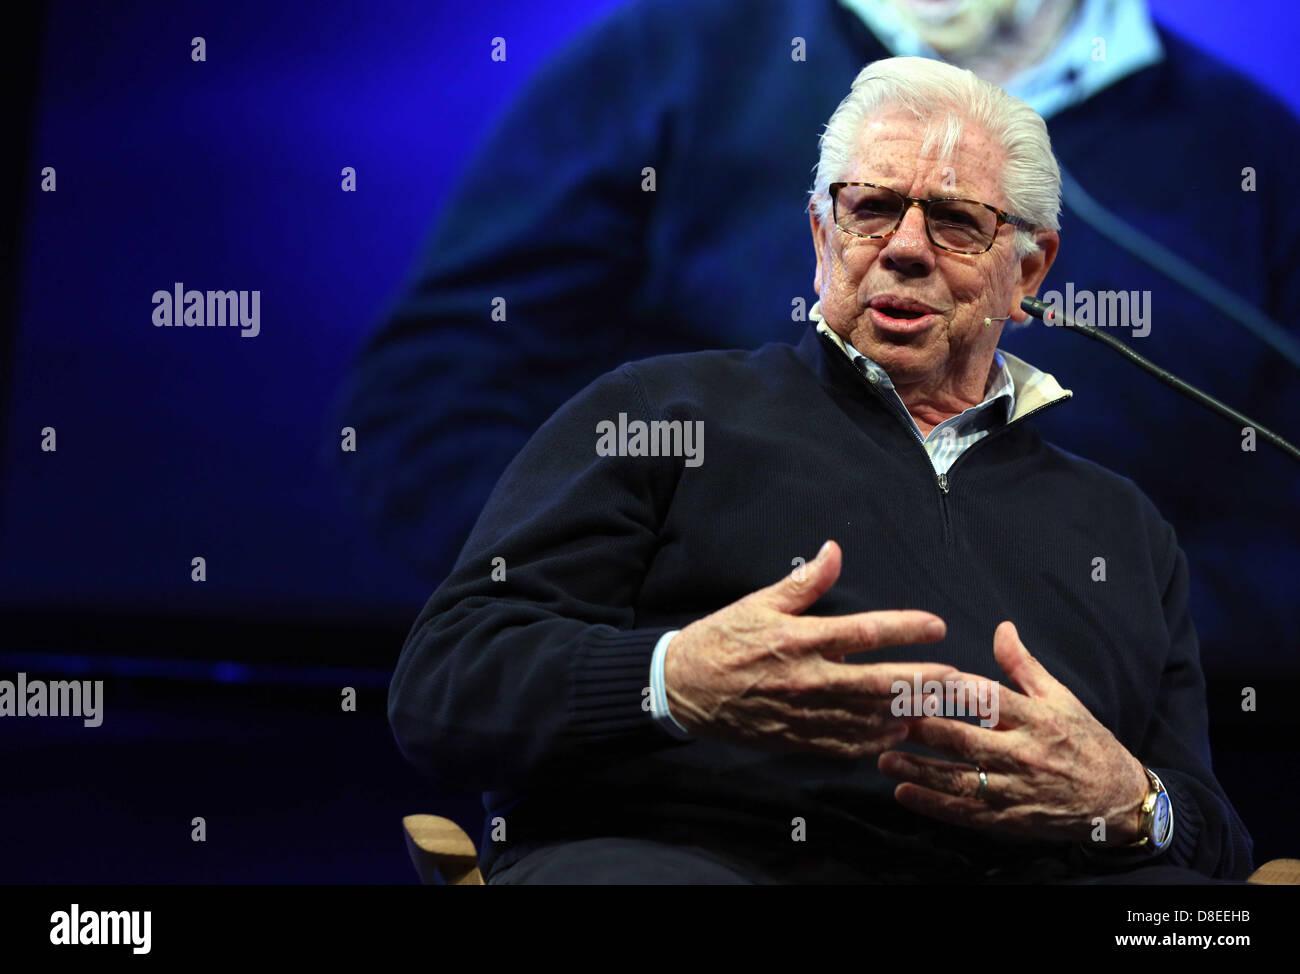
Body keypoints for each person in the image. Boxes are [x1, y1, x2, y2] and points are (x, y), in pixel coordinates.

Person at [387, 57, 1252, 884]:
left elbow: (1214, 834)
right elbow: (447, 686)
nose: (905, 248)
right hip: (689, 857)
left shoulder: (1123, 528)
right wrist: (673, 678)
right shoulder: (661, 415)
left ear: (1027, 270)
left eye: (955, 222)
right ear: (820, 234)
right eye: (871, 208)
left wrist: (1135, 804)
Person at [334, 0, 1300, 688]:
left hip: (1069, 772)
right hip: (698, 764)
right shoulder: (673, 62)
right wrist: (663, 649)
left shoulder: (1255, 157)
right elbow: (433, 403)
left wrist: (1100, 651)